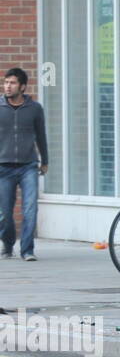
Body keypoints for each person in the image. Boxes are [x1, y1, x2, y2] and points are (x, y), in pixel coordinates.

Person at [0, 67, 48, 261]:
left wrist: (45, 161)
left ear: (22, 86)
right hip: (3, 166)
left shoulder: (35, 109)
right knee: (4, 213)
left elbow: (41, 136)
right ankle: (8, 243)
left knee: (30, 208)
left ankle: (27, 250)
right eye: (6, 82)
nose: (7, 86)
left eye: (12, 83)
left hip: (28, 165)